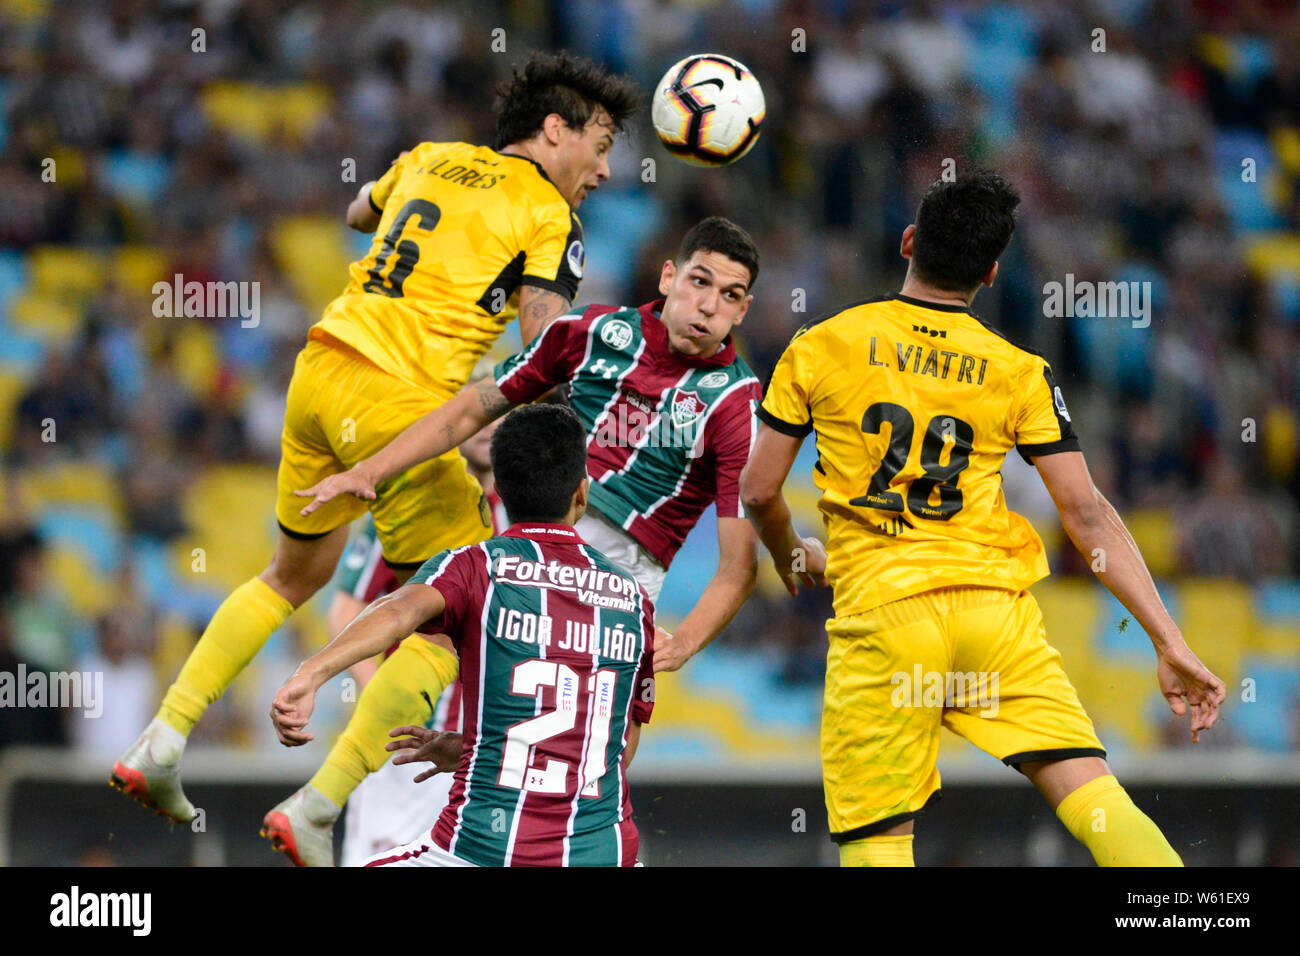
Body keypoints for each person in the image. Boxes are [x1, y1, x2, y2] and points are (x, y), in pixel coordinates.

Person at [111, 51, 640, 825]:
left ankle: (162, 739)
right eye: (598, 148)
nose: (601, 172)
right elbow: (541, 348)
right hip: (399, 397)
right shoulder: (550, 217)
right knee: (454, 613)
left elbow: (360, 214)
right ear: (555, 129)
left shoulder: (432, 158)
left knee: (291, 575)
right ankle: (320, 806)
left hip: (320, 370)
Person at [740, 170, 1227, 867]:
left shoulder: (823, 343)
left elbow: (759, 492)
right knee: (1094, 797)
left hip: (887, 616)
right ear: (993, 272)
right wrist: (1169, 639)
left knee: (878, 841)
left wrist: (794, 556)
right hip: (993, 618)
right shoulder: (1019, 370)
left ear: (909, 242)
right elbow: (1086, 515)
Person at [264, 216, 763, 864]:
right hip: (536, 530)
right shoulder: (592, 334)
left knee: (592, 740)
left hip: (620, 580)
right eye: (700, 281)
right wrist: (372, 469)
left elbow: (737, 565)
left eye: (730, 295)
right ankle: (327, 800)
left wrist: (684, 644)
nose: (708, 305)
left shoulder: (735, 402)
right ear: (669, 277)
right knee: (437, 624)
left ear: (744, 309)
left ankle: (340, 798)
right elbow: (475, 407)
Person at [270, 404, 656, 867]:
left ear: (503, 491)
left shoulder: (476, 565)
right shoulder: (633, 599)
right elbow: (618, 749)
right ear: (582, 492)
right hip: (608, 854)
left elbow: (398, 611)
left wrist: (312, 672)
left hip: (482, 851)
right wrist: (487, 751)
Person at [333, 417, 502, 867]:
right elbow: (344, 613)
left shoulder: (520, 516)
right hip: (407, 741)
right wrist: (388, 703)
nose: (490, 428)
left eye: (503, 417)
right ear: (456, 426)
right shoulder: (411, 504)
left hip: (480, 743)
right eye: (483, 417)